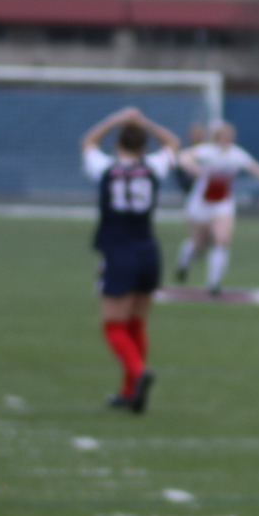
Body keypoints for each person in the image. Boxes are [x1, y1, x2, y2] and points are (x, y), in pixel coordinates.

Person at [80, 106, 183, 413]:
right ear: (143, 146)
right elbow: (173, 143)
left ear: (118, 144)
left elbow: (87, 142)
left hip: (118, 252)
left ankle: (137, 374)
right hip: (148, 251)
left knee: (113, 325)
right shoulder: (152, 166)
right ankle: (129, 392)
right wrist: (146, 123)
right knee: (136, 322)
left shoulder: (104, 168)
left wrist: (114, 119)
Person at [173, 120, 259, 296]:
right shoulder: (207, 151)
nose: (228, 138)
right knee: (199, 246)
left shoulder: (236, 155)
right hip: (201, 203)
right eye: (224, 135)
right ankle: (183, 262)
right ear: (217, 136)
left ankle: (213, 284)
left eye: (230, 135)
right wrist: (195, 169)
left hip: (222, 204)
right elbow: (183, 157)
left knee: (222, 240)